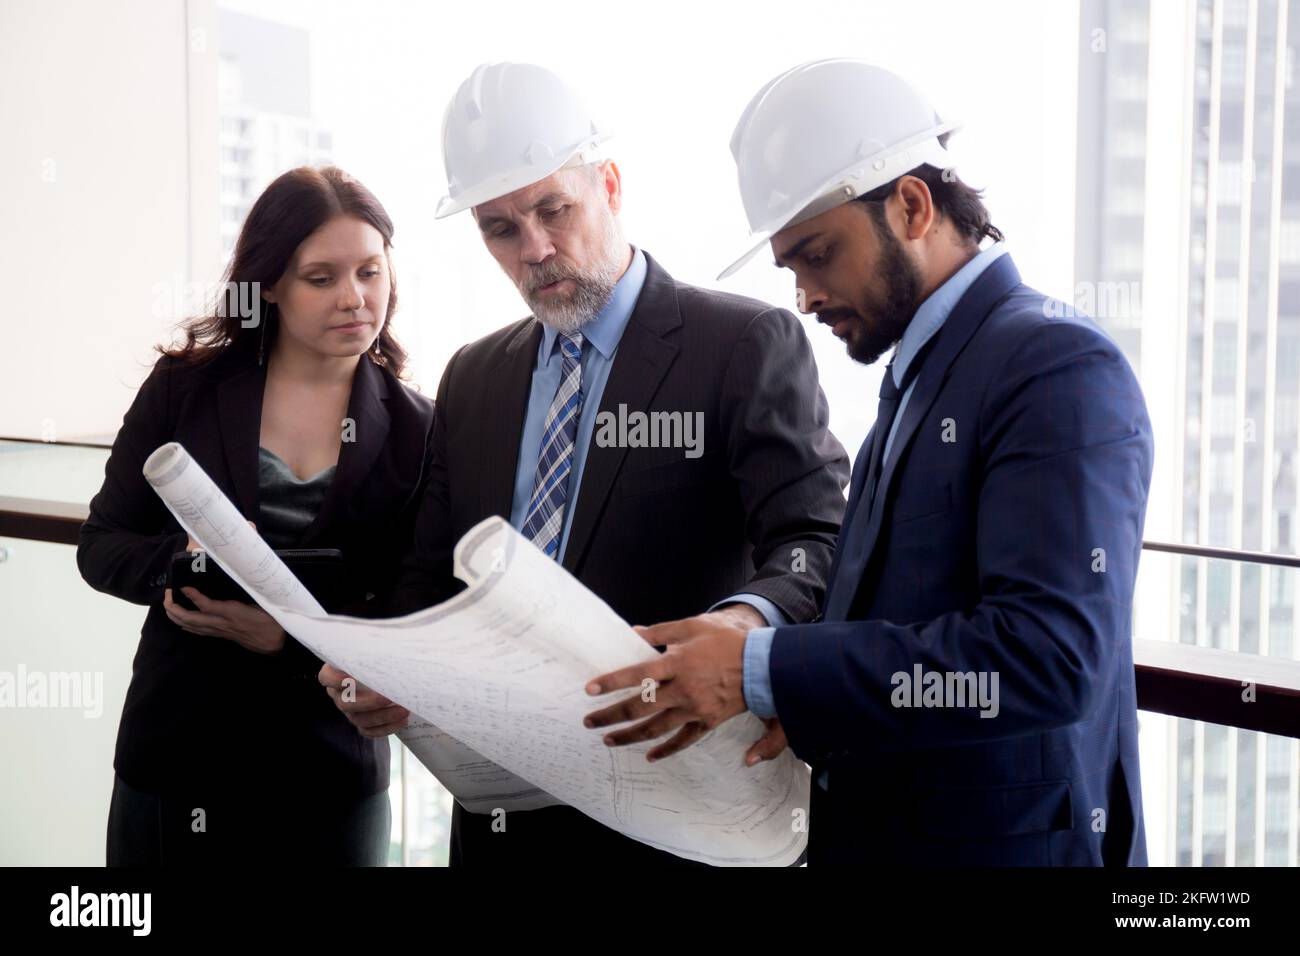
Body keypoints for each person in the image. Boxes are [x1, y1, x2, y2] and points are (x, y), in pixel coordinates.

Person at [585, 59, 1154, 866]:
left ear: (912, 205)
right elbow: (904, 614)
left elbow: (1049, 659)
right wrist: (781, 665)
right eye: (790, 268)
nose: (805, 296)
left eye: (817, 255)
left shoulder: (1055, 365)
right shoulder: (923, 373)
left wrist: (763, 670)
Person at [321, 61, 850, 867]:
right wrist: (388, 665)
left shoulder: (742, 346)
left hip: (673, 814)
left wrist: (742, 629)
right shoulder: (473, 376)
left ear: (608, 183)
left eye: (552, 209)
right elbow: (427, 578)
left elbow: (816, 538)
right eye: (501, 229)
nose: (535, 248)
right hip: (503, 819)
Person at [78, 166, 434, 866]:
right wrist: (179, 568)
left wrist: (285, 642)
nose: (355, 299)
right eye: (321, 277)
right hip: (179, 754)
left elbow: (413, 613)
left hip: (328, 774)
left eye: (369, 270)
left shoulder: (422, 429)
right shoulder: (186, 388)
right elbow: (102, 546)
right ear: (269, 284)